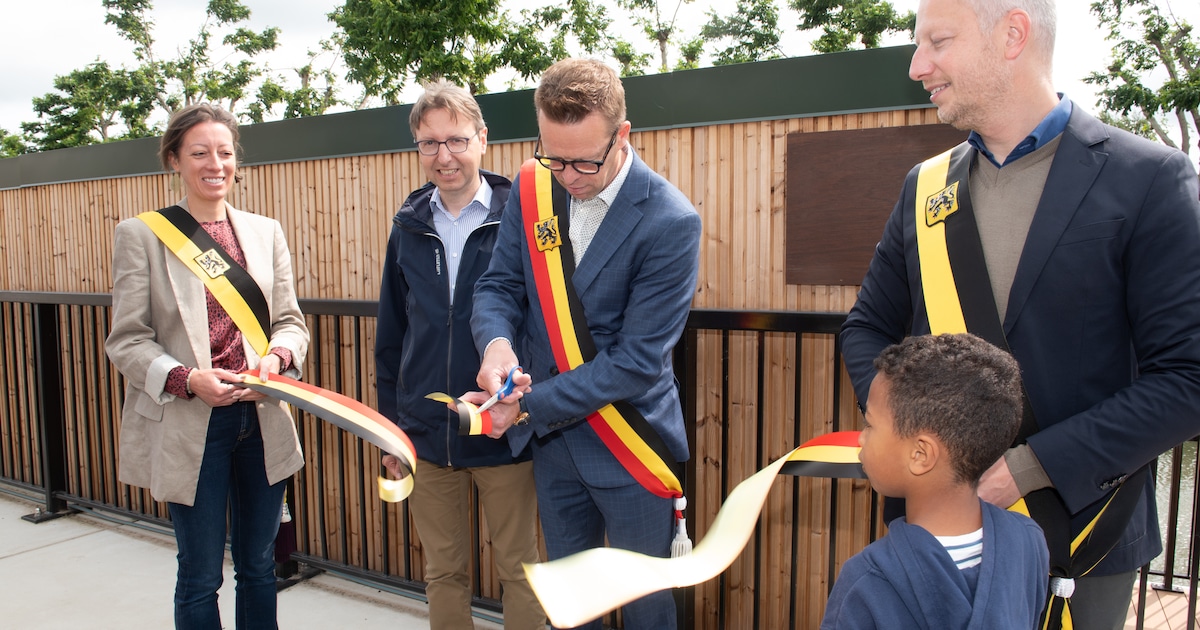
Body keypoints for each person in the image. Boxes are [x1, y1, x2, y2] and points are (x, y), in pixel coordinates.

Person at [840, 0, 1200, 627]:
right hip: (937, 541)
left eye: (938, 41)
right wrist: (915, 435)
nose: (918, 65)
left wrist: (1030, 467)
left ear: (1012, 33)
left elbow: (1188, 378)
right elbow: (867, 326)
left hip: (1081, 537)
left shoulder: (1150, 179)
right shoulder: (925, 188)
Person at [469, 58, 702, 629]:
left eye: (583, 160)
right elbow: (499, 284)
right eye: (553, 156)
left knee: (647, 611)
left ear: (622, 135)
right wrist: (497, 342)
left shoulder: (670, 220)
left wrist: (526, 405)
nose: (567, 175)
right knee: (571, 611)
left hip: (630, 444)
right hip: (554, 449)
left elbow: (634, 362)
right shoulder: (534, 189)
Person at [105, 103, 310, 629]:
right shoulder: (143, 235)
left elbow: (290, 322)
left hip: (261, 415)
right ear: (175, 159)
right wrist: (187, 379)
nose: (214, 163)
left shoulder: (265, 233)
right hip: (191, 421)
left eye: (224, 152)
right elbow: (127, 341)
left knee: (260, 566)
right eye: (199, 152)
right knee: (200, 574)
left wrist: (277, 358)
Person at [375, 79, 545, 630]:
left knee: (521, 570)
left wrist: (523, 403)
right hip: (425, 431)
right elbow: (392, 337)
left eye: (456, 140)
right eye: (429, 143)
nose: (443, 155)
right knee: (443, 573)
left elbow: (544, 326)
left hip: (501, 429)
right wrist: (391, 434)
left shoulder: (520, 217)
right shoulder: (407, 227)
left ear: (483, 139)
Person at [821, 333, 1049, 629]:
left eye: (870, 424)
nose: (861, 437)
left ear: (920, 454)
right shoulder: (1028, 541)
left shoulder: (867, 580)